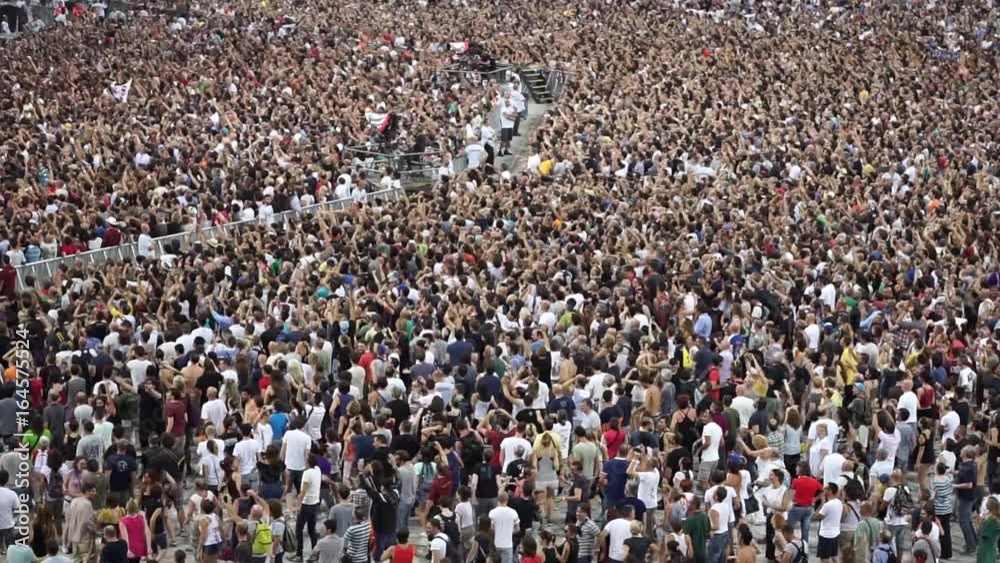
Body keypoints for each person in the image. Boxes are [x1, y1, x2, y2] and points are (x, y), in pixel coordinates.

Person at [812, 483, 844, 563]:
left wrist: (822, 503)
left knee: (824, 558)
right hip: (835, 533)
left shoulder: (827, 505)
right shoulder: (839, 502)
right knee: (834, 556)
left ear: (830, 491)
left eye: (825, 489)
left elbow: (815, 517)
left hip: (826, 535)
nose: (823, 490)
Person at [979, 497, 1000, 563]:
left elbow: (988, 532)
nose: (986, 504)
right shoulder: (989, 515)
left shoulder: (993, 519)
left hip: (989, 542)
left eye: (988, 503)